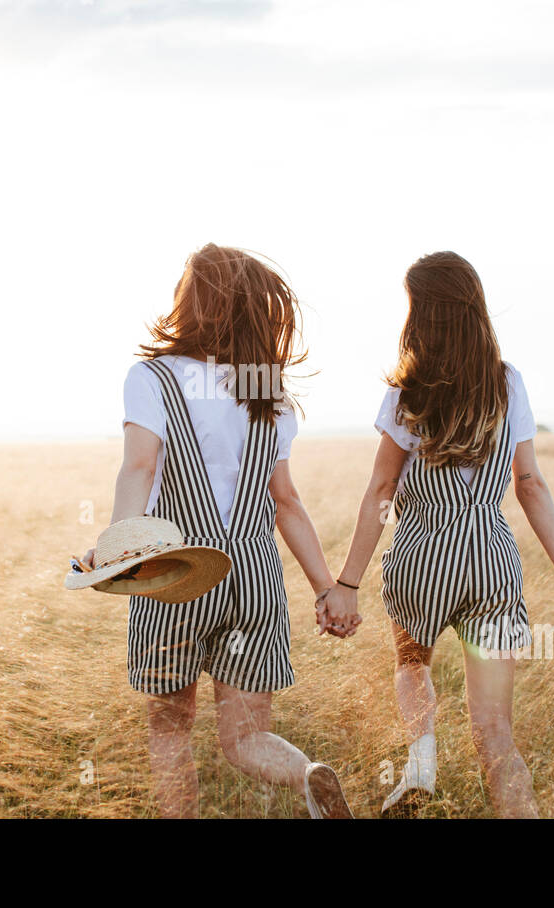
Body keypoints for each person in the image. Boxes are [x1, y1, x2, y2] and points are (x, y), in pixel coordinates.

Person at [81, 243, 355, 819]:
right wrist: (326, 587)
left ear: (192, 301)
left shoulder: (152, 378)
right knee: (246, 741)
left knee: (171, 734)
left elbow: (140, 466)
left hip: (179, 572)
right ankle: (306, 777)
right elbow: (287, 503)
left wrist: (119, 547)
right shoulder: (270, 394)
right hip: (255, 579)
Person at [324, 250, 554, 818]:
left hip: (420, 559)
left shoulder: (405, 393)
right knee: (496, 734)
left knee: (412, 663)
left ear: (422, 315)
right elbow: (530, 483)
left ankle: (421, 759)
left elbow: (380, 490)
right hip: (491, 562)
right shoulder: (506, 384)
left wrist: (347, 582)